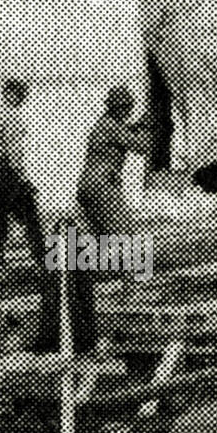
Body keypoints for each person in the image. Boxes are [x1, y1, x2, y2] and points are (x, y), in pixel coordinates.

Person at [76, 86, 150, 293]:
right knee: (127, 234)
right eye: (126, 108)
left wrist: (138, 126)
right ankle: (133, 284)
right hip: (103, 185)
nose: (128, 111)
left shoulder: (105, 124)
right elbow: (141, 147)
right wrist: (147, 127)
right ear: (119, 108)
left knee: (98, 237)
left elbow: (125, 135)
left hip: (87, 185)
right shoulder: (112, 126)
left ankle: (77, 281)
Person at [0, 77, 46, 275]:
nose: (23, 99)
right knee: (29, 214)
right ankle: (42, 259)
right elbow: (14, 152)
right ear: (14, 94)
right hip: (5, 169)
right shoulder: (13, 117)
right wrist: (24, 180)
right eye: (21, 95)